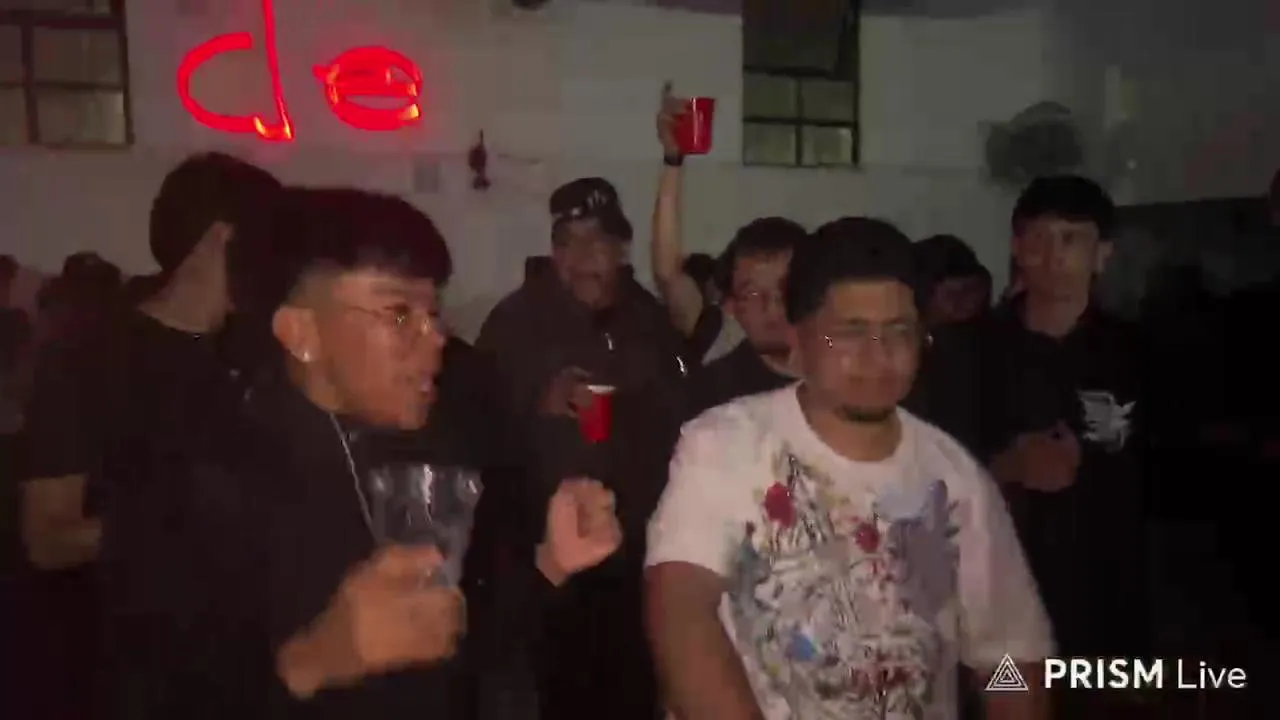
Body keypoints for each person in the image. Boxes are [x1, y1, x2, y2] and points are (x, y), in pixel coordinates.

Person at [142, 186, 623, 718]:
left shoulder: (435, 447)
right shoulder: (196, 485)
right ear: (301, 332)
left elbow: (462, 644)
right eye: (398, 314)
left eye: (433, 311)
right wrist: (314, 660)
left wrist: (549, 562)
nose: (436, 337)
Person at [645, 217, 1052, 720]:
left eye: (898, 331)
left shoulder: (957, 480)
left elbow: (1009, 657)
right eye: (850, 333)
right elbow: (682, 609)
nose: (877, 356)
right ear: (799, 339)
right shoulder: (727, 444)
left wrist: (1006, 692)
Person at [17, 152, 280, 720]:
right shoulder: (90, 358)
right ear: (221, 238)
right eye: (271, 239)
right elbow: (47, 538)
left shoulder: (262, 355)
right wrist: (176, 518)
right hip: (130, 676)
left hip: (251, 669)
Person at [475, 176, 687, 719]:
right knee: (555, 695)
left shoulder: (650, 321)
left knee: (632, 693)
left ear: (622, 249)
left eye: (597, 242)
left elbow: (678, 418)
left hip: (635, 556)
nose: (581, 258)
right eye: (567, 243)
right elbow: (473, 422)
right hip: (546, 561)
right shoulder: (514, 321)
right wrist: (537, 400)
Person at [978, 177, 1149, 710]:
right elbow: (927, 471)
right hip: (999, 599)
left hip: (1111, 597)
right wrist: (1007, 466)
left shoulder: (1141, 353)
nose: (1054, 256)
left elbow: (1178, 476)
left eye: (1072, 239)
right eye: (1039, 238)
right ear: (1016, 247)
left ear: (1103, 253)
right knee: (1008, 707)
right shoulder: (968, 351)